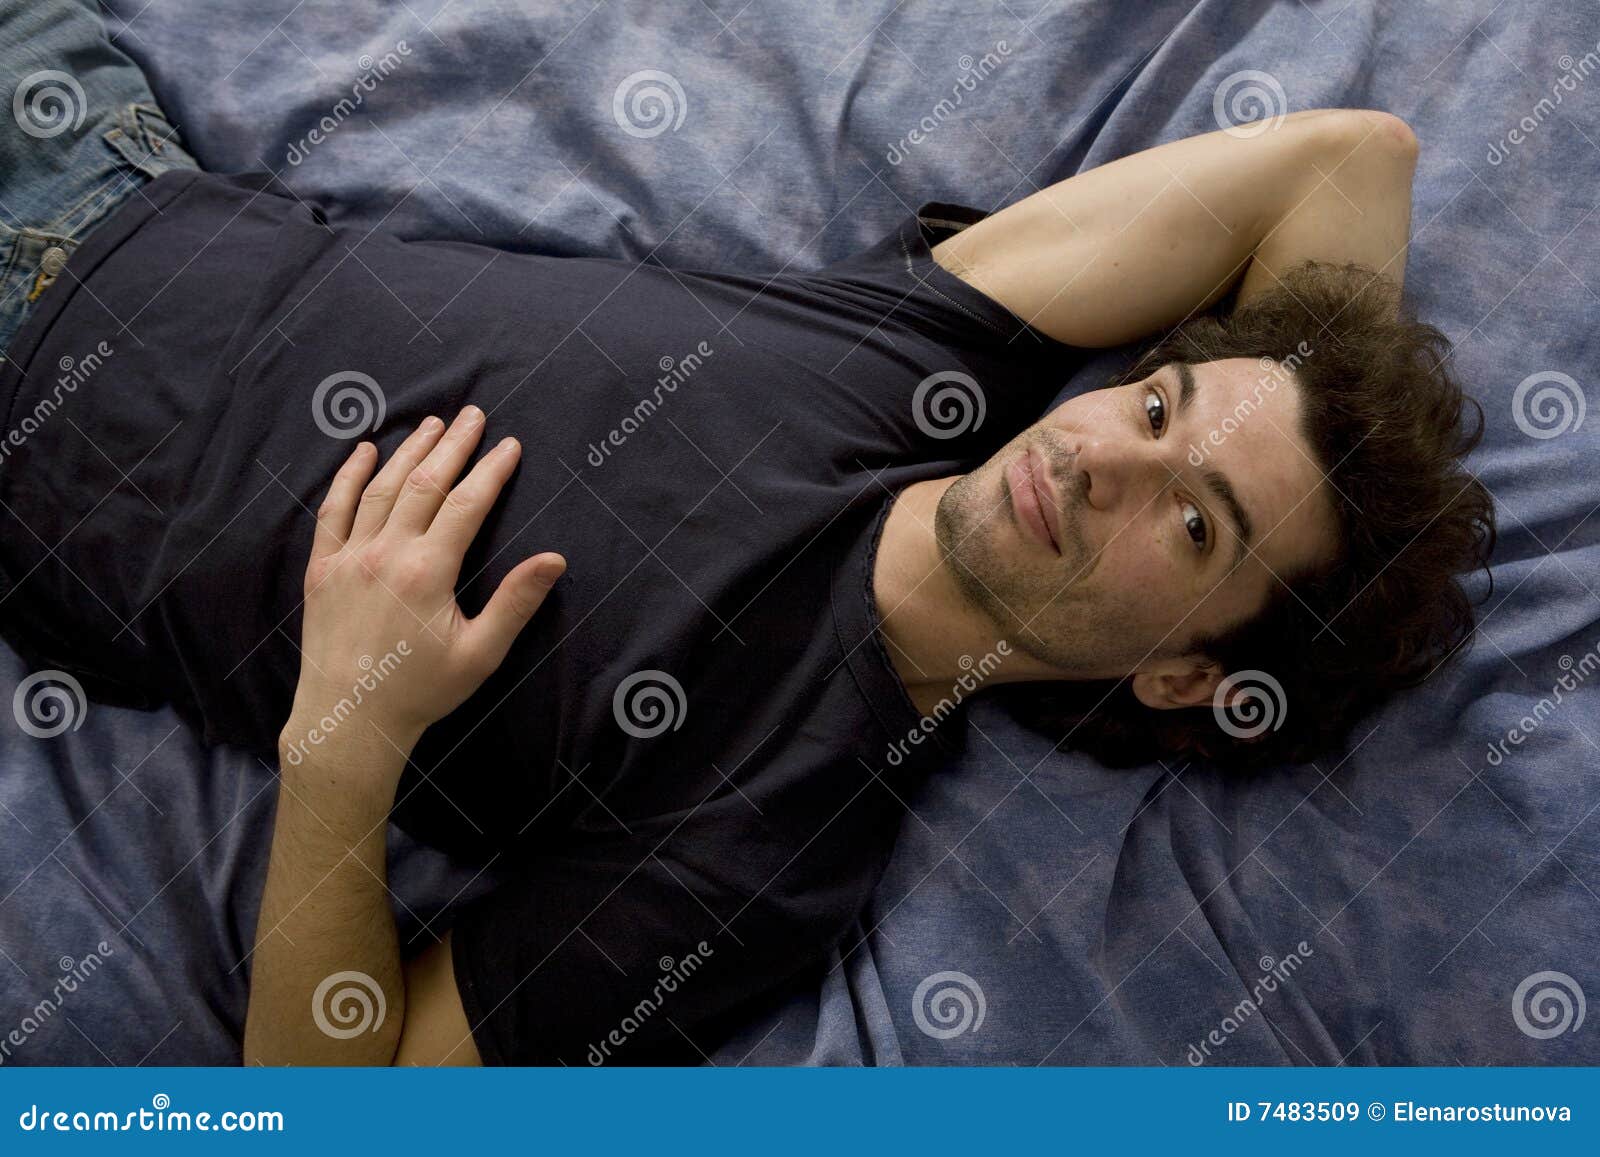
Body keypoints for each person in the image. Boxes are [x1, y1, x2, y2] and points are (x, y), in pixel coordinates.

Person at [0, 2, 1493, 1064]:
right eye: (1159, 405)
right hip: (88, 158)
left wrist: (345, 737)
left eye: (1195, 522)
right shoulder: (933, 364)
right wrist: (1334, 426)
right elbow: (1353, 158)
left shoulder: (765, 848)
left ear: (1186, 676)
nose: (1099, 451)